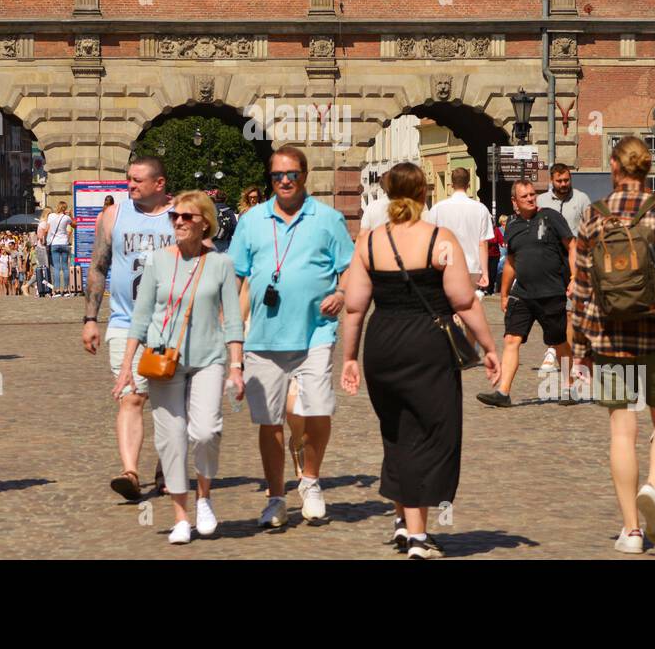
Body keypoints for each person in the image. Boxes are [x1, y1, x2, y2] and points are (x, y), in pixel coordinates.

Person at [340, 162, 498, 558]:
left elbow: (355, 307)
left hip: (382, 343)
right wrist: (490, 347)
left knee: (396, 432)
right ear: (425, 193)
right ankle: (418, 537)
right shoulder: (439, 239)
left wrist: (349, 358)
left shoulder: (370, 242)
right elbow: (464, 302)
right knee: (430, 435)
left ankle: (401, 521)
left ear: (389, 193)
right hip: (428, 345)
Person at [570, 136, 655, 554]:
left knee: (622, 430)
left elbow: (580, 289)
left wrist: (578, 349)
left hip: (610, 336)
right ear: (649, 169)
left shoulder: (593, 217)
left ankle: (630, 531)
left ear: (614, 166)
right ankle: (654, 486)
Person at [230, 145, 355, 528]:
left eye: (291, 174)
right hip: (264, 339)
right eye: (277, 176)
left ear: (304, 175)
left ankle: (312, 481)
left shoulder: (328, 219)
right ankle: (275, 496)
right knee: (270, 422)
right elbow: (236, 276)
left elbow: (349, 268)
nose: (284, 181)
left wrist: (340, 293)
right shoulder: (251, 221)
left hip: (315, 331)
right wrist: (230, 335)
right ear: (270, 180)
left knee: (318, 410)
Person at [113, 191, 245, 544]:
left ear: (205, 221)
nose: (180, 222)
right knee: (171, 439)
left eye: (187, 216)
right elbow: (140, 318)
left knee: (204, 431)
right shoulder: (158, 261)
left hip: (208, 359)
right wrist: (127, 367)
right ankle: (181, 515)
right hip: (162, 360)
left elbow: (232, 320)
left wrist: (236, 365)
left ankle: (204, 496)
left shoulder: (221, 263)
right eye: (175, 217)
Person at [82, 158, 176, 501]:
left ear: (160, 183)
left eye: (137, 180)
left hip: (171, 324)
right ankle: (130, 472)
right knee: (131, 397)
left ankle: (167, 468)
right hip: (124, 322)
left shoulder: (181, 214)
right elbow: (98, 267)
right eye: (128, 179)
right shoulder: (113, 216)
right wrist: (90, 319)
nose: (130, 185)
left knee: (168, 403)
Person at [476, 180, 575, 409]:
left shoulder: (550, 217)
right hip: (522, 294)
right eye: (525, 196)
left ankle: (569, 386)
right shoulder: (511, 225)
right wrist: (504, 294)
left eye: (533, 194)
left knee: (558, 342)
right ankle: (503, 392)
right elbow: (510, 262)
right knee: (511, 339)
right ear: (515, 202)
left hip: (551, 292)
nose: (531, 198)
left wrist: (574, 277)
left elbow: (572, 246)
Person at [424, 167, 494, 292]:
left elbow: (430, 241)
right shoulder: (481, 209)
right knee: (467, 306)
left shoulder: (438, 208)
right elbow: (482, 244)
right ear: (468, 185)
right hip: (472, 268)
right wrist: (485, 273)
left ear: (451, 185)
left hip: (446, 266)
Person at [537, 163, 593, 236]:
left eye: (566, 180)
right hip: (550, 246)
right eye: (559, 181)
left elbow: (592, 226)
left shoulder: (581, 198)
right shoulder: (541, 200)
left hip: (575, 245)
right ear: (551, 180)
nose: (563, 184)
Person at [43, 200, 75, 296]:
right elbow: (75, 225)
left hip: (54, 244)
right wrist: (71, 215)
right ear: (65, 209)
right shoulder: (66, 218)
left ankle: (56, 290)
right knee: (65, 267)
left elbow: (46, 229)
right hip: (64, 243)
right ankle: (65, 290)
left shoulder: (51, 216)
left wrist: (45, 240)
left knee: (56, 268)